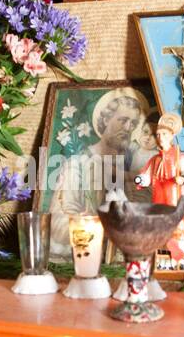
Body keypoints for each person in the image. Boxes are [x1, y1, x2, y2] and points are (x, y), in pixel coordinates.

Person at [48, 89, 146, 258]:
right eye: (123, 120)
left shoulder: (138, 166)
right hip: (86, 256)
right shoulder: (77, 164)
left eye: (133, 123)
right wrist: (97, 227)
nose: (128, 128)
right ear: (106, 119)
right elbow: (56, 223)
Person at [134, 113, 184, 261]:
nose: (160, 137)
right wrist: (141, 179)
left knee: (177, 225)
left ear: (171, 135)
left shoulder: (180, 157)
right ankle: (164, 256)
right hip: (159, 198)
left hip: (175, 198)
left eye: (164, 134)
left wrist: (183, 179)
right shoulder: (155, 159)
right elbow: (147, 177)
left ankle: (181, 257)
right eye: (158, 134)